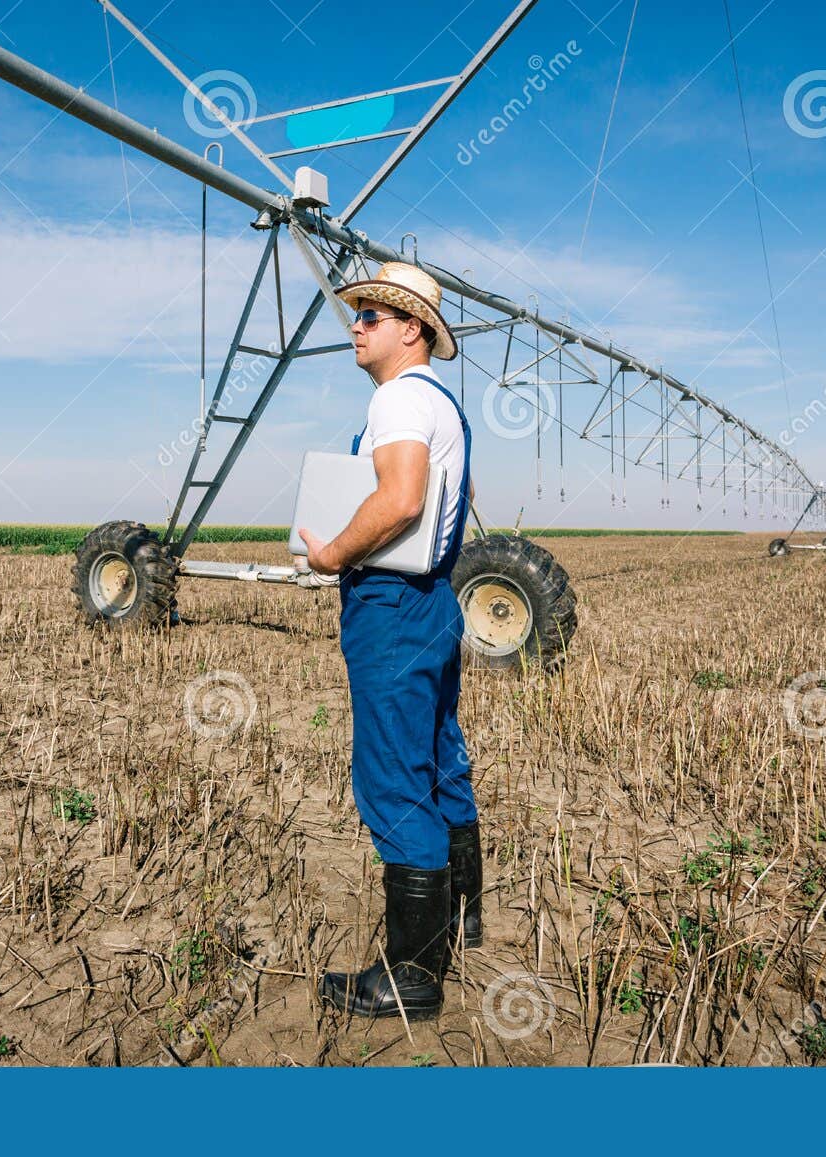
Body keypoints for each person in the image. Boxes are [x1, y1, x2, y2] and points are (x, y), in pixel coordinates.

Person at [296, 261, 483, 1021]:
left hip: (392, 601)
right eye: (358, 313)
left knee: (391, 779)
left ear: (412, 331)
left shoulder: (400, 397)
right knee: (441, 760)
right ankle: (459, 919)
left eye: (372, 315)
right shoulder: (442, 404)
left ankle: (412, 974)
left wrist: (333, 553)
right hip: (432, 598)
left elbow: (401, 498)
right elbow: (445, 499)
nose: (358, 324)